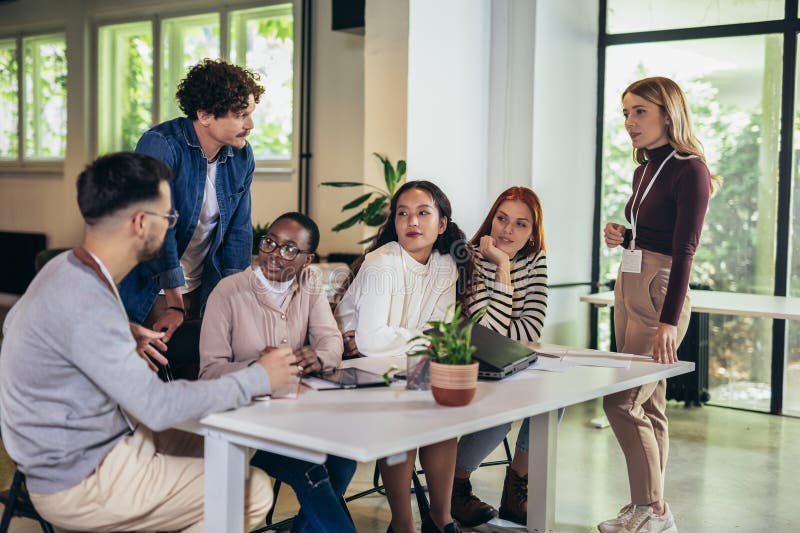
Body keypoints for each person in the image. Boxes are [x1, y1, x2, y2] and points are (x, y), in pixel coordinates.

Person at [0, 152, 298, 532]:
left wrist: (118, 331)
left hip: (103, 438)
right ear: (141, 223)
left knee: (233, 442)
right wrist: (259, 377)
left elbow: (22, 325)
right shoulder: (86, 299)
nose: (172, 227)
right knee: (249, 491)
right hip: (82, 476)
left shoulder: (67, 268)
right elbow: (156, 406)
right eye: (169, 218)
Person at [599, 76, 718, 533]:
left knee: (622, 401)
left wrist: (670, 321)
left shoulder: (691, 170)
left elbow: (685, 249)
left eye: (639, 112)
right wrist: (623, 235)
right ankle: (647, 508)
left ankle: (652, 509)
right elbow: (654, 232)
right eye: (626, 113)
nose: (629, 122)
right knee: (650, 406)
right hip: (630, 281)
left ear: (668, 114)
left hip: (661, 288)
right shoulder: (644, 169)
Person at [199, 212, 356, 533]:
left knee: (344, 460)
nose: (273, 253)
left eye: (289, 249)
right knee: (312, 469)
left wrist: (318, 357)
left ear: (307, 260)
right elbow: (209, 372)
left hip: (295, 417)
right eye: (269, 242)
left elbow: (331, 340)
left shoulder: (309, 284)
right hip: (246, 425)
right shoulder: (228, 291)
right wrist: (259, 370)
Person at [335, 181, 473, 533]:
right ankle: (402, 524)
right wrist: (419, 340)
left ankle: (441, 519)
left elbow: (439, 335)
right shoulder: (381, 263)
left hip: (404, 365)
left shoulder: (445, 266)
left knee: (443, 420)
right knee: (402, 420)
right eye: (403, 214)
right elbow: (370, 341)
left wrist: (405, 340)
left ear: (442, 224)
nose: (412, 221)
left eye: (423, 213)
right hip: (356, 370)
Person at [119, 58, 264, 342]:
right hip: (154, 286)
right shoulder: (161, 145)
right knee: (156, 362)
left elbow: (238, 231)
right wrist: (175, 302)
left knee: (203, 361)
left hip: (204, 284)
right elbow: (156, 230)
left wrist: (236, 297)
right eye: (240, 115)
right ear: (205, 115)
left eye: (250, 114)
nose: (250, 125)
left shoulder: (242, 155)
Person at [450, 186, 549, 527]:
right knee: (504, 412)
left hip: (510, 363)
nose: (508, 230)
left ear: (532, 233)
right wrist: (502, 266)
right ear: (491, 220)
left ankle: (516, 488)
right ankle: (455, 484)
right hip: (470, 364)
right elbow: (488, 335)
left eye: (521, 224)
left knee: (554, 399)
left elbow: (531, 329)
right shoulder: (470, 258)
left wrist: (505, 333)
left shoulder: (536, 260)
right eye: (502, 219)